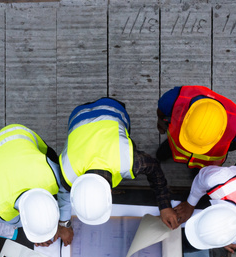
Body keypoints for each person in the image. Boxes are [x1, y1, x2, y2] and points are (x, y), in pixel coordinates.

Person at [60, 97, 179, 229]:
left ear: (110, 191)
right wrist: (64, 224)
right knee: (121, 137)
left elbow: (154, 168)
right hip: (77, 114)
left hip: (111, 109)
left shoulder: (128, 161)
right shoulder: (67, 173)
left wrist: (165, 206)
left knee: (124, 138)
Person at [0, 123, 73, 248]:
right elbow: (22, 221)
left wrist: (62, 224)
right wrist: (39, 232)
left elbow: (65, 192)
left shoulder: (51, 176)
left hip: (16, 134)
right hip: (2, 139)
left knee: (51, 159)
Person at [156, 85, 236, 169]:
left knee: (200, 171)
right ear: (187, 117)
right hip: (179, 147)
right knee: (166, 150)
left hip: (205, 164)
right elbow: (161, 113)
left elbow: (234, 146)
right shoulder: (174, 99)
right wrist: (160, 124)